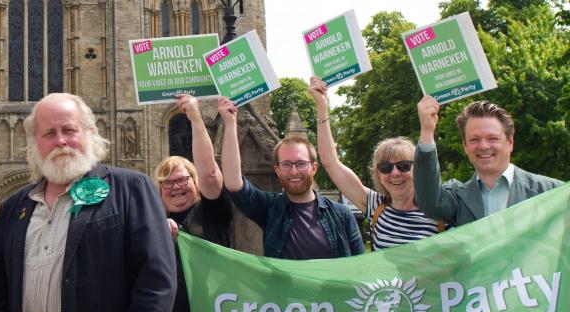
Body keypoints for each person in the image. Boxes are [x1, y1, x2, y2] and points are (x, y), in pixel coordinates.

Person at [0, 92, 176, 312]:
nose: (60, 140)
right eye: (49, 133)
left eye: (69, 130)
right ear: (34, 142)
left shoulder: (131, 189)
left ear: (90, 132)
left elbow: (156, 285)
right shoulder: (13, 207)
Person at [220, 97, 363, 259]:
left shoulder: (341, 214)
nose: (294, 171)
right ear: (277, 170)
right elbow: (233, 183)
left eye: (301, 163)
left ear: (313, 168)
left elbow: (358, 267)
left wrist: (322, 106)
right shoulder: (270, 209)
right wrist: (230, 123)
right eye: (286, 164)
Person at [309, 77, 442, 250]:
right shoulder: (376, 206)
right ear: (378, 174)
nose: (395, 173)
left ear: (417, 169)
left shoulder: (439, 210)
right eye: (386, 168)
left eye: (403, 166)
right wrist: (321, 107)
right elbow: (330, 162)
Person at [153, 95, 233, 312]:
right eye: (167, 183)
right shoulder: (152, 224)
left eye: (182, 179)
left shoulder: (211, 212)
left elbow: (211, 175)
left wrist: (195, 118)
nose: (175, 186)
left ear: (194, 182)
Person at [414, 96, 564, 226]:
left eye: (493, 138)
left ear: (510, 142)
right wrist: (427, 131)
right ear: (465, 146)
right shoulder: (458, 198)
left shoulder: (552, 191)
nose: (484, 146)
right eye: (474, 139)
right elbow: (429, 203)